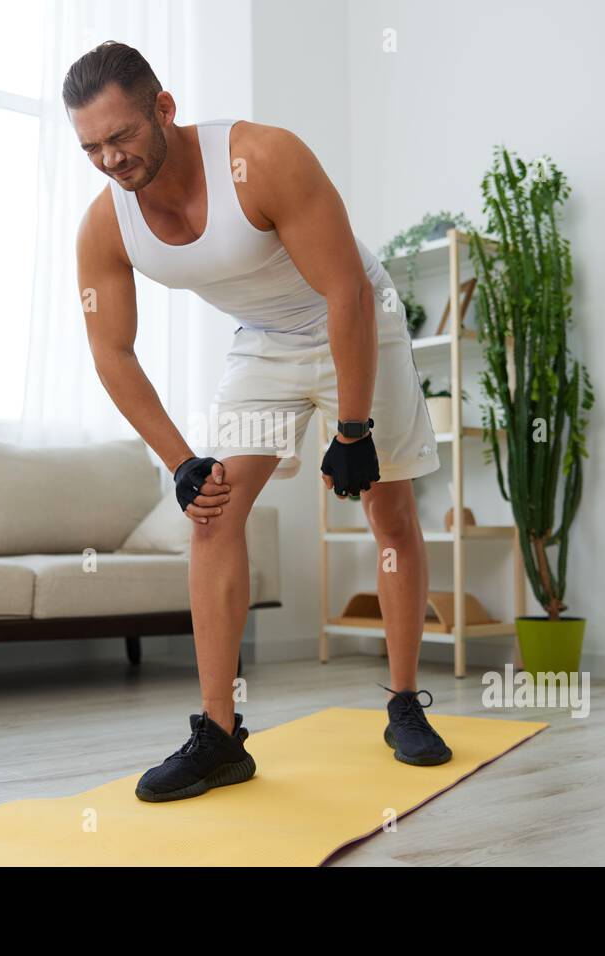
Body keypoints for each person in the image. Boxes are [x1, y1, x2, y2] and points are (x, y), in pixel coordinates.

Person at [68, 41, 451, 803]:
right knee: (212, 511)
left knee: (390, 510)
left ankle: (404, 703)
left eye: (122, 136)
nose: (110, 159)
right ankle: (221, 737)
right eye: (91, 147)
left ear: (164, 110)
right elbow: (112, 353)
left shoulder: (263, 158)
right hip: (267, 350)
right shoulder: (106, 227)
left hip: (358, 323)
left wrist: (352, 428)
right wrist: (183, 463)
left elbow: (343, 289)